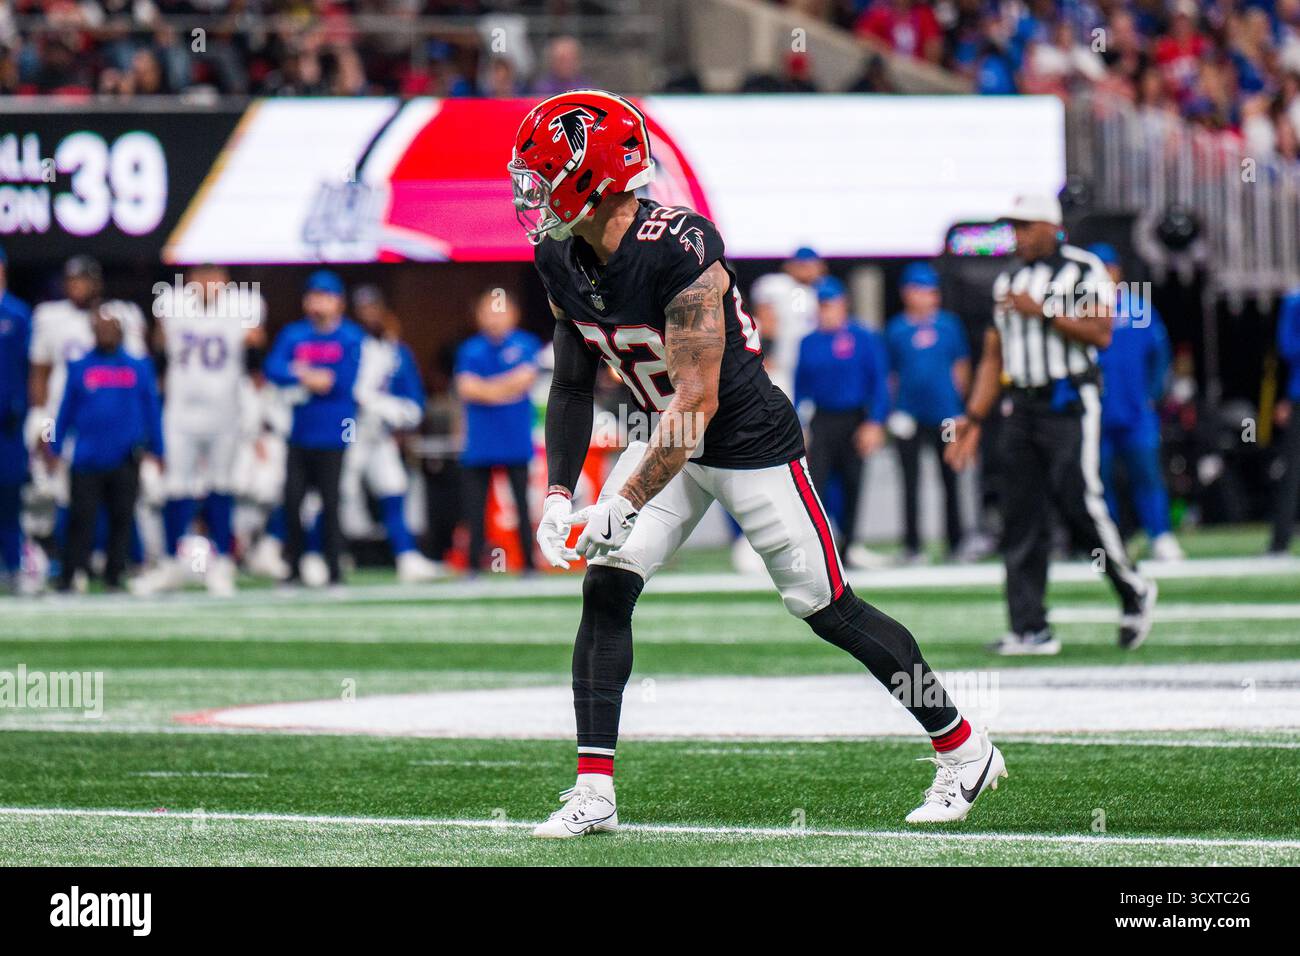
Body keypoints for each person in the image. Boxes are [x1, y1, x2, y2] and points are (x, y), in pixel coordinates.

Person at [512, 90, 1004, 837]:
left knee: (826, 606)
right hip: (666, 431)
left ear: (593, 174)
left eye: (544, 173)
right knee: (606, 588)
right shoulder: (559, 255)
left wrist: (622, 502)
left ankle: (964, 747)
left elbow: (700, 401)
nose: (533, 192)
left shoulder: (678, 246)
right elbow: (572, 382)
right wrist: (557, 492)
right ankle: (594, 790)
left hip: (744, 439)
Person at [945, 194, 1157, 655]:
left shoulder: (1083, 269)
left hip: (1069, 399)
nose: (1017, 235)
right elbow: (993, 354)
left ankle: (1131, 588)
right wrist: (975, 417)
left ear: (1050, 226)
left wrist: (1041, 310)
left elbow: (1101, 332)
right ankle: (1029, 627)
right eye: (1014, 227)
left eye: (1025, 226)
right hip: (1020, 407)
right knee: (1019, 514)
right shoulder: (1008, 279)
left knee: (1079, 502)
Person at [136, 265, 266, 596]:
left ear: (225, 279)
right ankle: (170, 563)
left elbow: (256, 340)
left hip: (225, 412)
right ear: (191, 278)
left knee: (221, 485)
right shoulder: (172, 302)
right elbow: (158, 341)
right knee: (174, 487)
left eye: (215, 276)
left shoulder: (244, 303)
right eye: (201, 276)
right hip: (181, 412)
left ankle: (222, 563)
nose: (208, 284)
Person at [47, 308, 162, 592]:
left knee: (122, 519)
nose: (106, 334)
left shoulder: (138, 367)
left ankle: (114, 573)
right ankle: (70, 573)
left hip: (125, 456)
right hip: (87, 457)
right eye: (101, 329)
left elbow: (152, 409)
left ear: (121, 332)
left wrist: (158, 447)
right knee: (80, 519)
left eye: (111, 329)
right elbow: (65, 411)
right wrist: (55, 444)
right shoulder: (80, 366)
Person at [264, 270, 364, 587]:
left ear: (338, 303)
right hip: (300, 432)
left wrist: (301, 373)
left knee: (331, 502)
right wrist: (307, 375)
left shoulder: (350, 336)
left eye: (325, 297)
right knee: (292, 500)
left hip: (336, 432)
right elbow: (273, 368)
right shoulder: (295, 334)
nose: (318, 303)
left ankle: (334, 567)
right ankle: (293, 566)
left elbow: (339, 381)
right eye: (314, 296)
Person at [1090, 243, 1184, 562]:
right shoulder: (1078, 309)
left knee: (1146, 473)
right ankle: (1112, 542)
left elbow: (1160, 355)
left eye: (1109, 269)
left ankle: (1161, 534)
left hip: (1135, 411)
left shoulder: (1136, 307)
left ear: (1119, 272)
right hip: (1095, 413)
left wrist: (1152, 394)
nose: (1104, 276)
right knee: (1099, 482)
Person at [794, 275, 890, 569]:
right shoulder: (809, 342)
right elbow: (800, 389)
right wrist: (800, 427)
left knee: (853, 485)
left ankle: (849, 546)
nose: (827, 311)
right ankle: (820, 549)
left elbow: (880, 384)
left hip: (854, 420)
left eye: (831, 304)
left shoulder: (863, 337)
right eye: (822, 305)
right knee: (817, 486)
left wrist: (875, 423)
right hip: (822, 420)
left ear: (843, 304)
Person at [348, 285, 441, 582]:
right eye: (363, 308)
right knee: (337, 492)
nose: (369, 314)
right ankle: (318, 552)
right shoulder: (348, 344)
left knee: (393, 487)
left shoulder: (395, 350)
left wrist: (401, 413)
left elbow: (413, 398)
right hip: (348, 432)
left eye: (373, 306)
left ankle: (405, 555)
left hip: (379, 434)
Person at [885, 261, 970, 563]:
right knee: (910, 480)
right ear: (907, 293)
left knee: (951, 477)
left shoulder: (949, 325)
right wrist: (895, 410)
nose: (926, 296)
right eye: (920, 290)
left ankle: (956, 542)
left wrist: (959, 409)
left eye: (930, 290)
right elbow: (892, 374)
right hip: (909, 414)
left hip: (946, 414)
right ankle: (912, 545)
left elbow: (961, 367)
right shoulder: (896, 328)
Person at [454, 288, 541, 574]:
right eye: (488, 311)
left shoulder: (526, 344)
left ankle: (529, 564)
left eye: (500, 311)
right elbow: (466, 388)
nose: (494, 318)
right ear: (478, 316)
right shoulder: (470, 349)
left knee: (522, 506)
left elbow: (525, 380)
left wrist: (486, 389)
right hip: (479, 443)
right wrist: (504, 389)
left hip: (515, 440)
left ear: (513, 314)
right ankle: (472, 568)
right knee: (475, 509)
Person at [0, 246, 33, 591]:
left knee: (9, 499)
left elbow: (30, 370)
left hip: (7, 426)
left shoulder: (18, 314)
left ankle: (14, 566)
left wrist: (21, 409)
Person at [1269, 285, 1300, 554]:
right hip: (1298, 396)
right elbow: (1287, 348)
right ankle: (1280, 541)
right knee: (1292, 471)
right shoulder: (1294, 301)